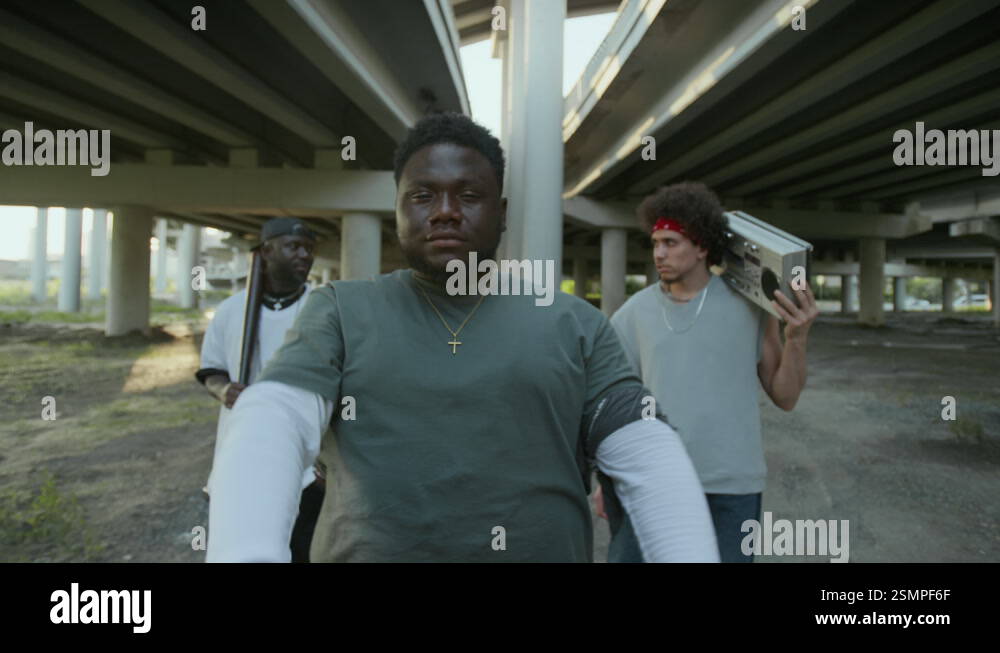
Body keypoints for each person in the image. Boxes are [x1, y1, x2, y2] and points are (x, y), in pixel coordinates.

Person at [206, 112, 719, 563]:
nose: (446, 211)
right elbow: (274, 418)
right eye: (423, 196)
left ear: (502, 212)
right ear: (400, 209)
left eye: (469, 196)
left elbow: (643, 445)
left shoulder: (573, 322)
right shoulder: (341, 309)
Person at [596, 181, 819, 563]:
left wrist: (796, 338)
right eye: (655, 243)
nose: (659, 254)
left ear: (701, 246)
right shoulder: (632, 314)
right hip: (652, 482)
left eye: (671, 243)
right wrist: (606, 479)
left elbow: (785, 396)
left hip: (731, 485)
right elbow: (615, 404)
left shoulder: (751, 309)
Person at [195, 217, 325, 563]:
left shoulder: (323, 308)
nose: (304, 255)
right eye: (293, 247)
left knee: (305, 551)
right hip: (239, 450)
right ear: (266, 251)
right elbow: (211, 371)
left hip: (307, 468)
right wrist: (225, 391)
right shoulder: (230, 310)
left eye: (309, 249)